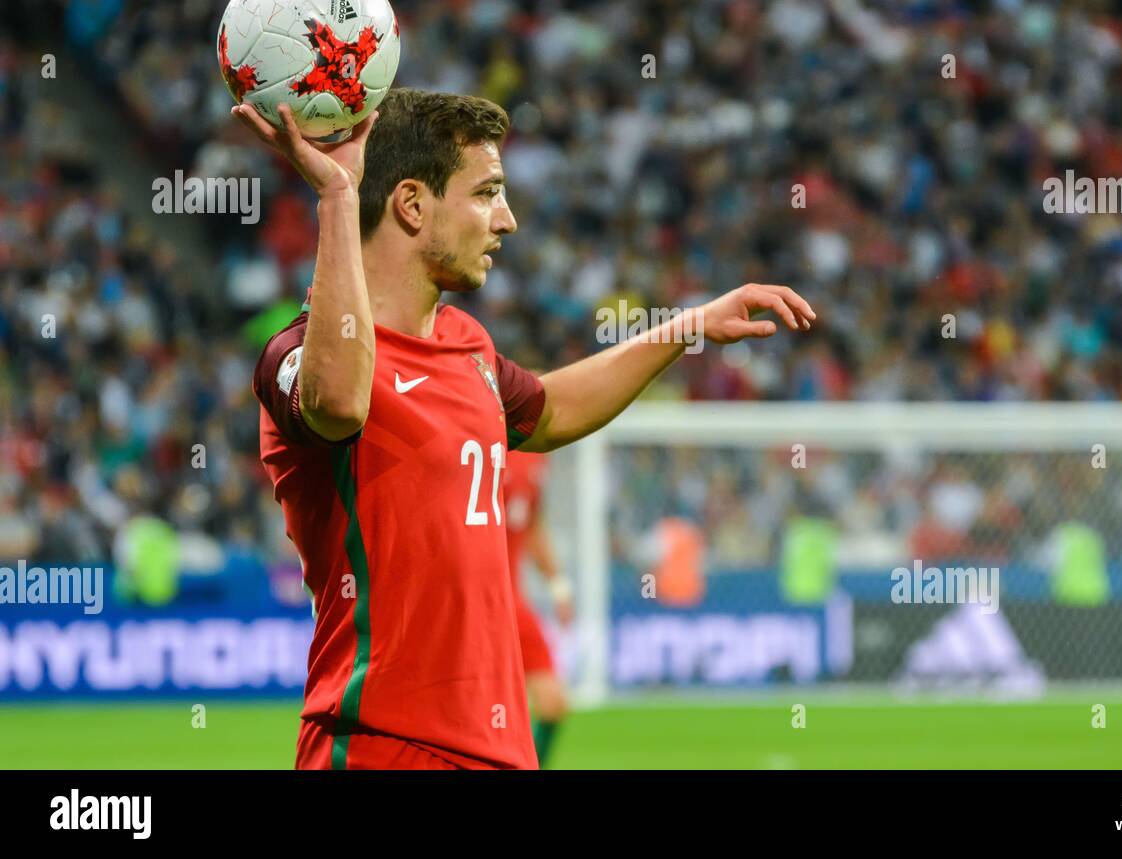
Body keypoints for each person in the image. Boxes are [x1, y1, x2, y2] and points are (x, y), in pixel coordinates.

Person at [241, 89, 816, 769]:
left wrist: (687, 327)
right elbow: (338, 402)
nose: (507, 220)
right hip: (383, 747)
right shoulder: (300, 354)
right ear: (412, 204)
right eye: (486, 193)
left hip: (499, 751)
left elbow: (551, 410)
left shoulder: (468, 347)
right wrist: (338, 197)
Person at [502, 448, 569, 767]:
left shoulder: (537, 456)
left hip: (513, 604)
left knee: (553, 703)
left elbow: (532, 525)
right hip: (473, 604)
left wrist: (558, 585)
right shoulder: (479, 437)